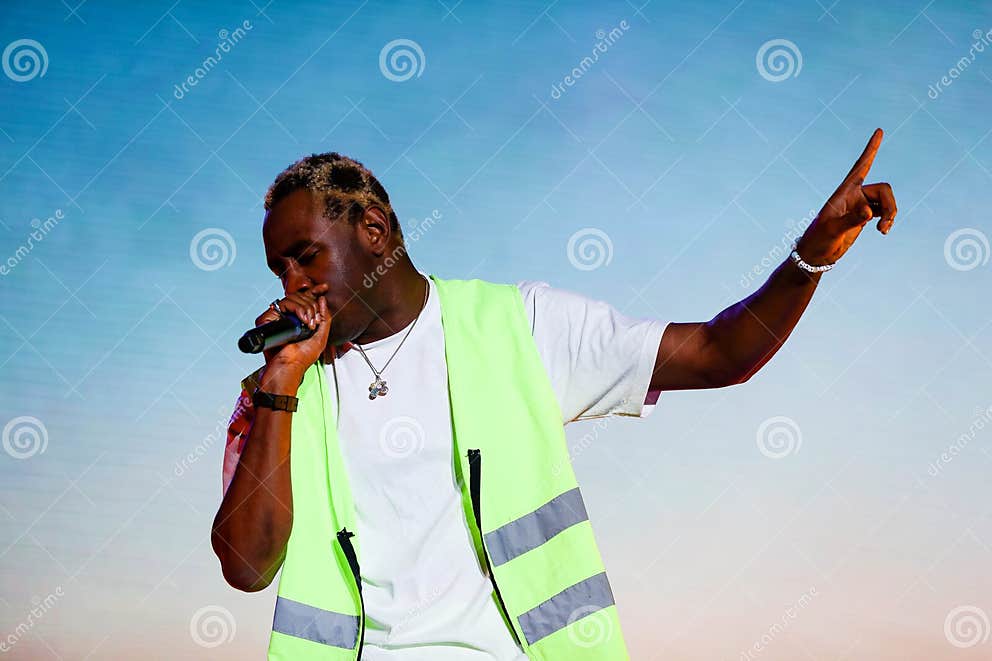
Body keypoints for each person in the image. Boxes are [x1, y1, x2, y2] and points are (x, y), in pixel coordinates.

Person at [211, 130, 897, 660]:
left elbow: (722, 352)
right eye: (279, 267)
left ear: (373, 230)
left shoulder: (521, 325)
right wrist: (278, 385)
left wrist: (809, 257)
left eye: (306, 255)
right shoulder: (279, 387)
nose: (291, 282)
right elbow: (246, 567)